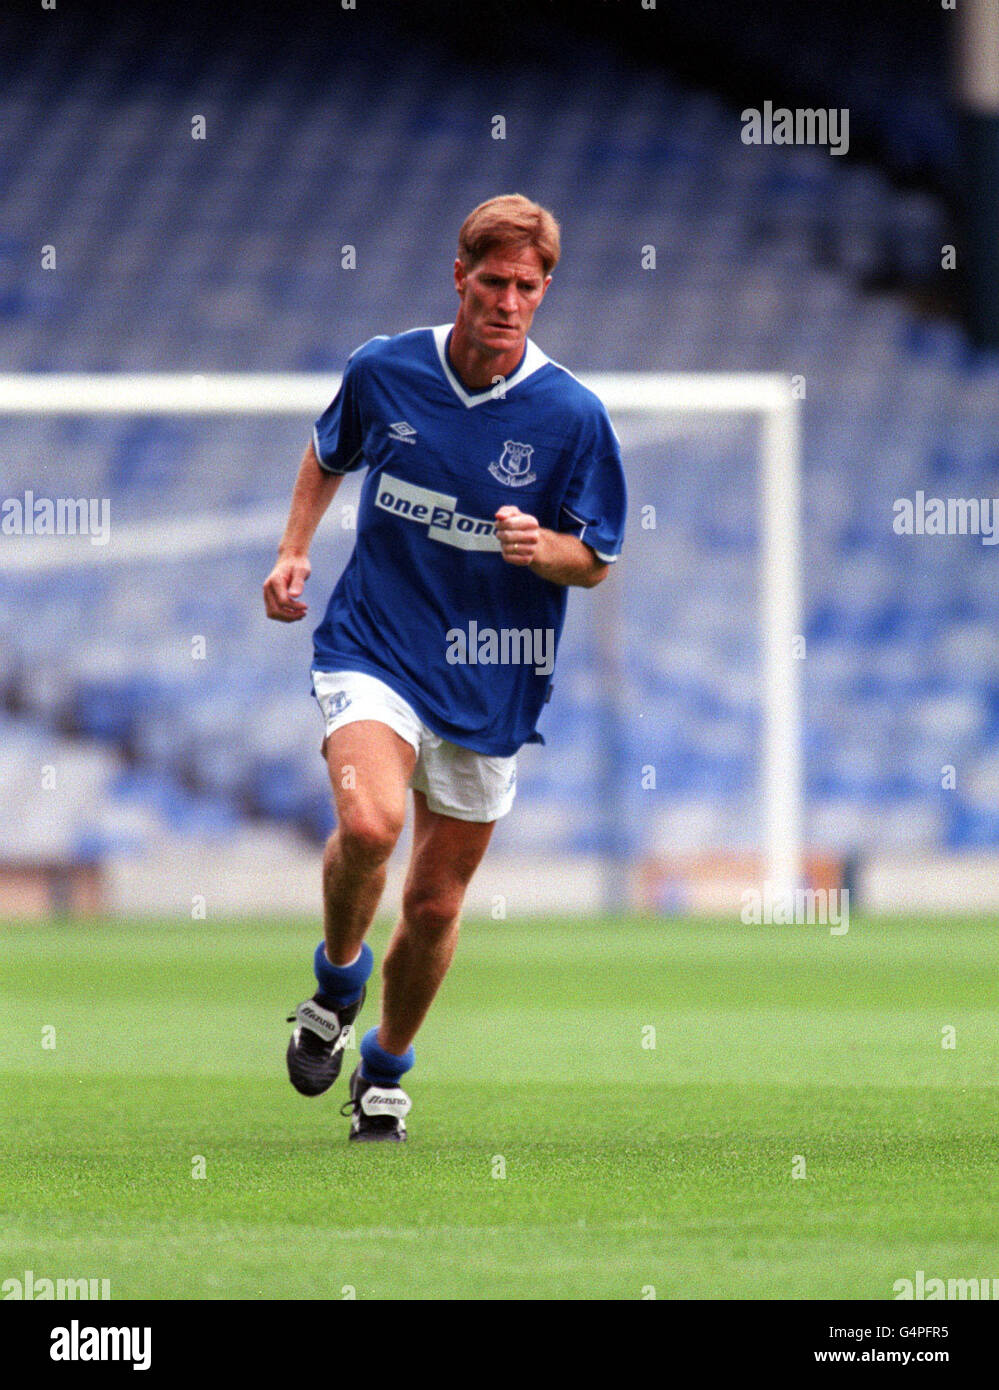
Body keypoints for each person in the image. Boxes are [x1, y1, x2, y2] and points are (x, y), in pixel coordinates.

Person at [263, 193, 626, 1141]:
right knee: (371, 822)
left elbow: (594, 559)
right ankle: (337, 982)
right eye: (494, 281)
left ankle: (384, 1066)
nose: (508, 301)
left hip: (492, 669)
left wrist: (537, 546)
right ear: (458, 275)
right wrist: (294, 547)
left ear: (544, 292)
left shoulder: (572, 415)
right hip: (375, 644)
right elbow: (325, 448)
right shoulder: (385, 370)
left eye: (528, 287)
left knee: (432, 903)